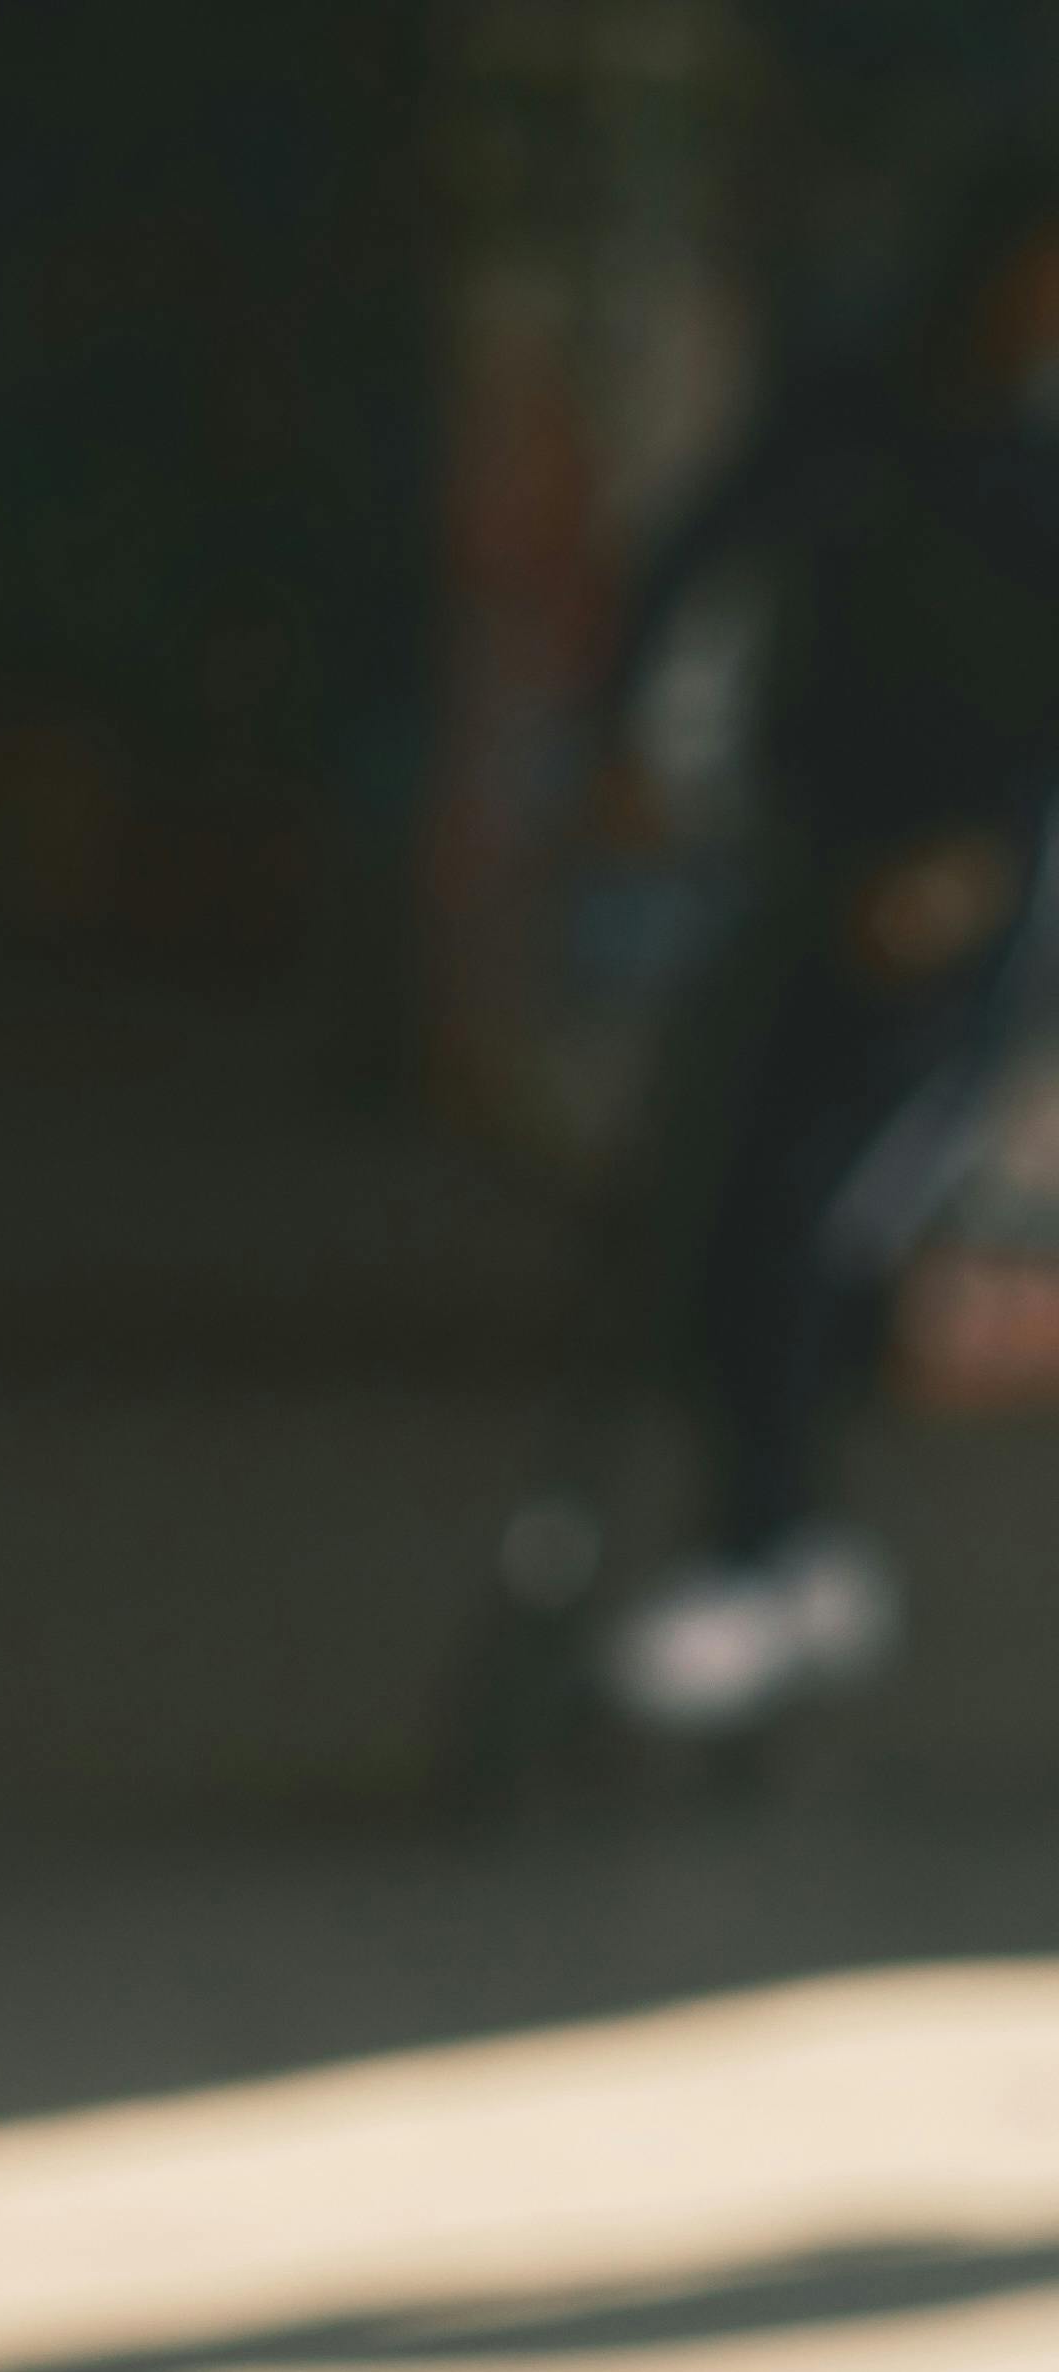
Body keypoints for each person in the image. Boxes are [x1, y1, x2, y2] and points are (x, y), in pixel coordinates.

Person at [592, 156, 1059, 1738]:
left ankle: (772, 1546)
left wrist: (982, 866)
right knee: (720, 1193)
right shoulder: (871, 409)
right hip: (812, 859)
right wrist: (637, 748)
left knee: (821, 1213)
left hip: (975, 896)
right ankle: (778, 1545)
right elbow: (693, 558)